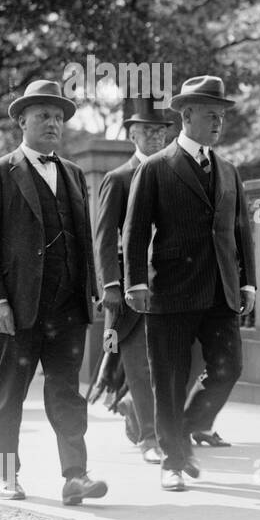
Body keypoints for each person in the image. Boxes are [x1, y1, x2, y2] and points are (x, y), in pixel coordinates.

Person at [0, 79, 108, 505]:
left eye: (58, 117)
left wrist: (91, 291)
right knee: (9, 393)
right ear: (22, 122)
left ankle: (75, 476)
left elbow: (84, 238)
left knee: (67, 393)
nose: (52, 123)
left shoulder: (70, 173)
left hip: (67, 307)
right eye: (42, 116)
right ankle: (5, 475)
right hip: (15, 307)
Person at [122, 75, 256, 491]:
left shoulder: (229, 170)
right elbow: (136, 229)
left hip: (221, 290)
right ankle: (173, 462)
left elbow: (241, 231)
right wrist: (135, 282)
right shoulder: (158, 167)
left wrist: (248, 283)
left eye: (221, 114)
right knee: (169, 377)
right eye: (210, 113)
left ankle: (184, 429)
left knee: (228, 367)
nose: (218, 121)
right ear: (186, 115)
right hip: (171, 290)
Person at [93, 109, 175, 463]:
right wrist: (110, 284)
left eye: (161, 131)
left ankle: (143, 411)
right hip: (130, 284)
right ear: (133, 135)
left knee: (175, 363)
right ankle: (150, 438)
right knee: (140, 365)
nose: (156, 137)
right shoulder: (119, 177)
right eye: (147, 131)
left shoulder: (175, 174)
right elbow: (103, 238)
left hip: (172, 283)